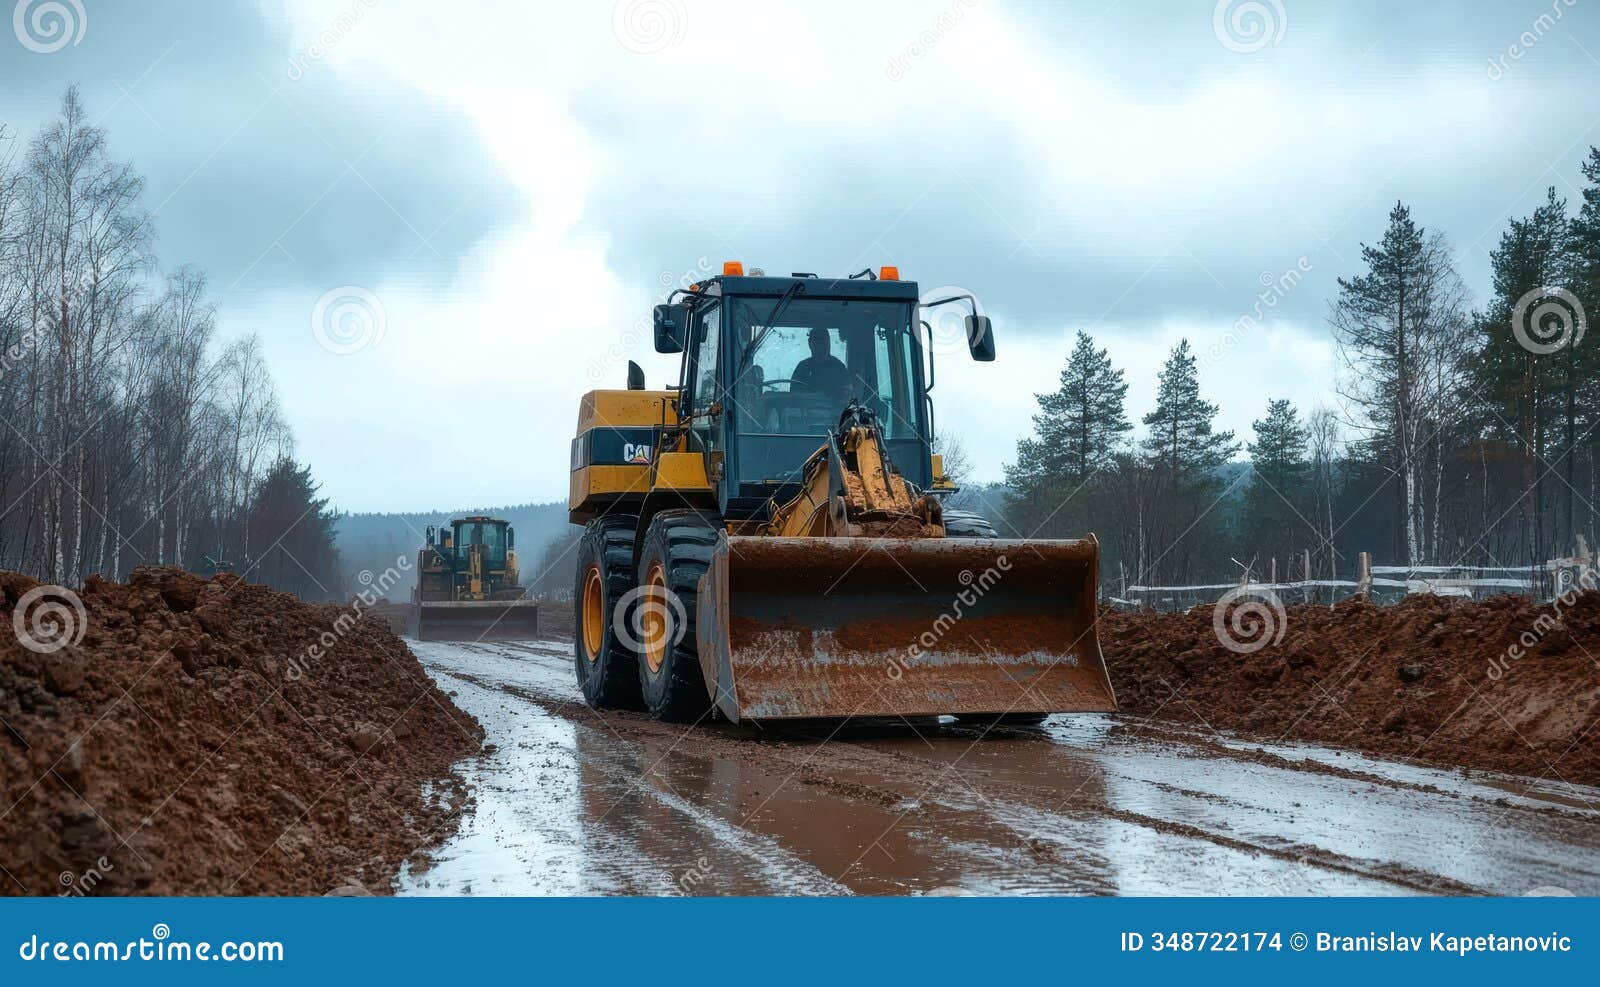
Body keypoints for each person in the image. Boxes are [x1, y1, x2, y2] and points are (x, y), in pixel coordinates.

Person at [791, 328, 849, 399]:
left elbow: (847, 396)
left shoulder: (839, 368)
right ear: (810, 343)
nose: (821, 345)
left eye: (824, 341)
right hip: (806, 405)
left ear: (829, 343)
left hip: (832, 406)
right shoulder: (802, 367)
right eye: (817, 341)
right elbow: (793, 395)